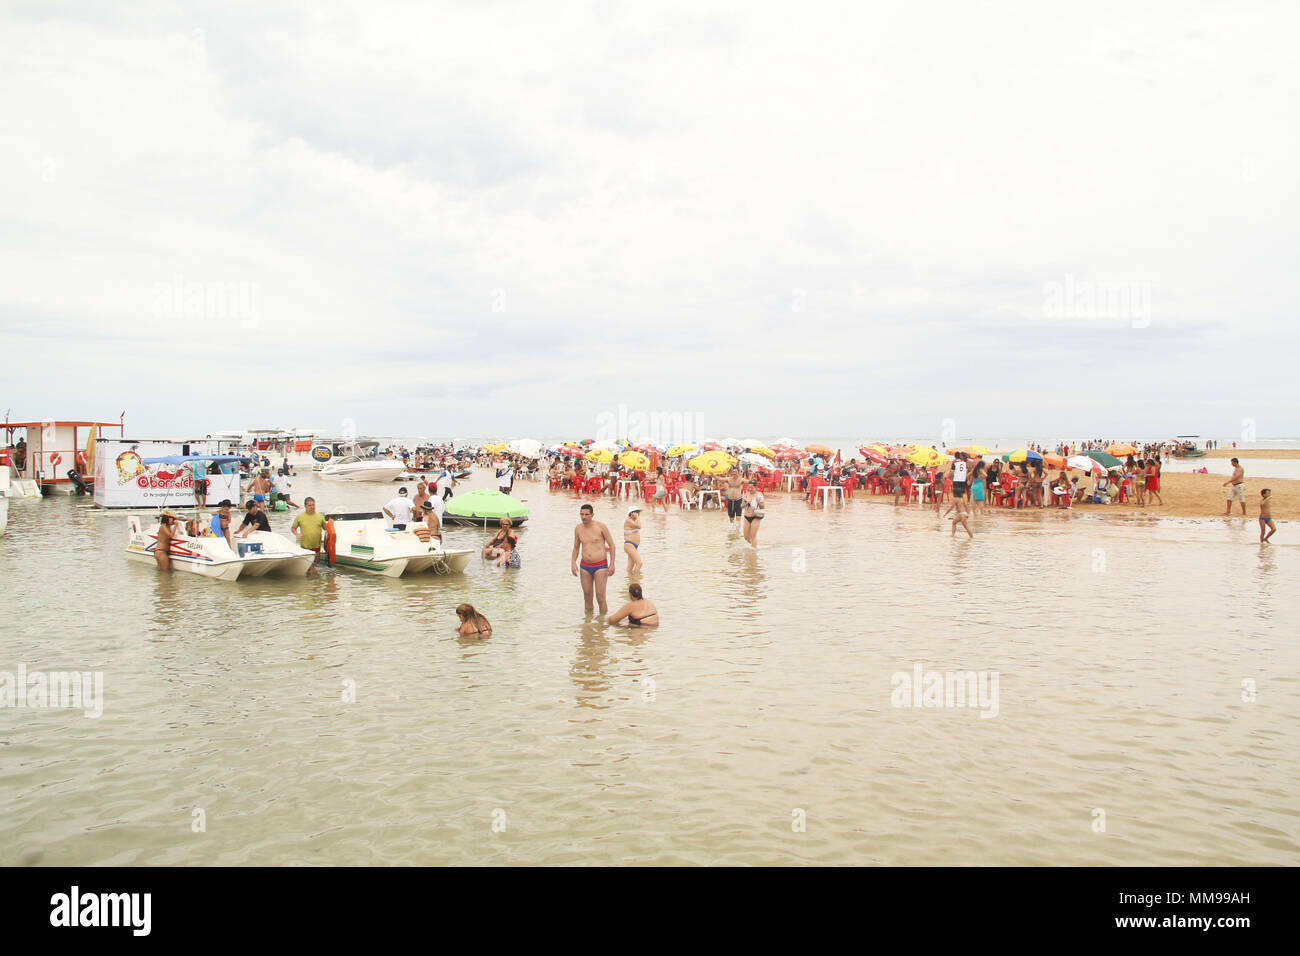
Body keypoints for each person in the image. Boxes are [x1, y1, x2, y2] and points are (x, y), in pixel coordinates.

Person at [571, 503, 616, 614]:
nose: (584, 517)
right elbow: (576, 547)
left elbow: (612, 545)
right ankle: (588, 626)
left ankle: (602, 625)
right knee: (587, 596)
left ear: (592, 515)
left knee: (600, 597)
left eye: (586, 514)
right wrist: (573, 563)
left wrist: (612, 564)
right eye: (582, 514)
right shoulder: (578, 529)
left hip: (600, 565)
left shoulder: (601, 527)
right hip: (585, 566)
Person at [291, 497, 328, 561]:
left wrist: (331, 525)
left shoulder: (320, 517)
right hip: (305, 547)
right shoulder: (300, 517)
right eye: (310, 505)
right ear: (305, 506)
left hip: (317, 546)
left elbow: (326, 529)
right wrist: (297, 534)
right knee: (309, 567)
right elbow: (293, 528)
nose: (312, 507)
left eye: (313, 505)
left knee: (315, 565)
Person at [741, 481, 765, 546]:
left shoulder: (759, 495)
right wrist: (746, 503)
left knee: (753, 536)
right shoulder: (746, 494)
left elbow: (763, 506)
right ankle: (752, 546)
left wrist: (758, 502)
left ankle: (753, 552)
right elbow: (741, 506)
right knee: (746, 537)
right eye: (749, 487)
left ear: (755, 487)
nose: (750, 489)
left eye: (752, 487)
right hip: (746, 517)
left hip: (755, 517)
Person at [623, 505, 643, 573]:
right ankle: (635, 580)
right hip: (629, 545)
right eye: (637, 512)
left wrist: (637, 518)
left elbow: (638, 526)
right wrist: (638, 518)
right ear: (631, 513)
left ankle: (630, 581)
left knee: (629, 568)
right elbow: (639, 526)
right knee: (639, 563)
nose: (638, 514)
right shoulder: (628, 520)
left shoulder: (634, 521)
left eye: (639, 512)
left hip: (633, 546)